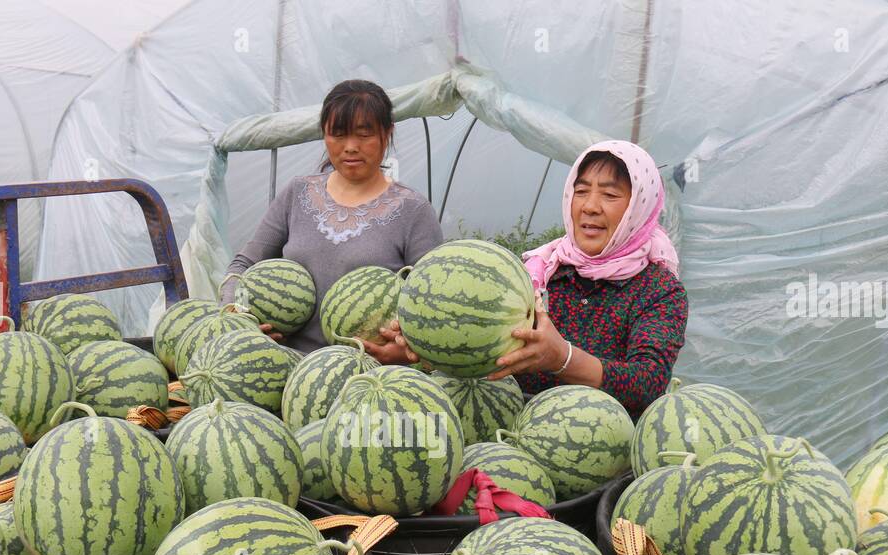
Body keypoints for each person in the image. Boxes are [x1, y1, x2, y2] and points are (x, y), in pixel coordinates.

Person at [386, 140, 686, 418]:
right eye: (581, 191)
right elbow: (482, 349)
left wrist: (562, 359)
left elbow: (649, 383)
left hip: (605, 453)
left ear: (640, 207)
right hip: (510, 434)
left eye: (609, 195)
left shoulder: (658, 290)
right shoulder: (537, 270)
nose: (590, 206)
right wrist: (426, 344)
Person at [220, 79, 443, 358]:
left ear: (387, 133)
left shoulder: (413, 210)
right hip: (285, 363)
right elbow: (243, 264)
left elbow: (435, 306)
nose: (350, 146)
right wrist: (237, 316)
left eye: (364, 134)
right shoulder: (298, 193)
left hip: (368, 375)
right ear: (324, 135)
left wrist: (405, 352)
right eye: (338, 134)